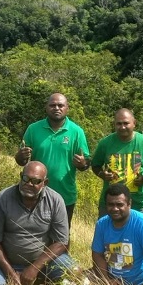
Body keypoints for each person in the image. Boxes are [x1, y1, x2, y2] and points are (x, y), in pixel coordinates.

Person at [0, 161, 78, 285]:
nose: (29, 184)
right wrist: (10, 274)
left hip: (43, 263)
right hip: (8, 263)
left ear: (45, 183)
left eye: (35, 181)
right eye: (26, 178)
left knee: (73, 272)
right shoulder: (3, 198)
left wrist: (34, 269)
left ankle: (40, 281)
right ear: (21, 176)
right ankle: (15, 278)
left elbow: (61, 242)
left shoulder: (55, 200)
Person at [15, 93, 90, 227]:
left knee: (62, 235)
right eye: (52, 105)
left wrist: (83, 164)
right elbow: (22, 161)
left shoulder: (76, 131)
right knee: (36, 231)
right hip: (36, 192)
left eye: (60, 105)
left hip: (65, 194)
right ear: (46, 107)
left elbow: (86, 163)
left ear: (67, 108)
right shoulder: (33, 129)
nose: (56, 108)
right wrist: (20, 156)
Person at [91, 108, 143, 215]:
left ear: (134, 123)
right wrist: (103, 175)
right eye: (119, 124)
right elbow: (95, 165)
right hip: (110, 204)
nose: (122, 127)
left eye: (126, 123)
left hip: (137, 203)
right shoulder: (105, 143)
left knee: (136, 232)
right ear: (114, 124)